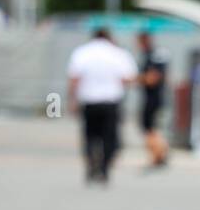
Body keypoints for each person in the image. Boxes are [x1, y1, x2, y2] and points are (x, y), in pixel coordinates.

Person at [67, 28, 137, 184]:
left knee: (90, 136)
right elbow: (129, 78)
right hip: (110, 101)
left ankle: (92, 165)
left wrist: (72, 100)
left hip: (89, 100)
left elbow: (74, 79)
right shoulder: (118, 53)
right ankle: (105, 168)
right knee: (109, 137)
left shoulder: (82, 53)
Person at [136, 31, 169, 169]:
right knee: (152, 128)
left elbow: (153, 78)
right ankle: (159, 154)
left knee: (150, 128)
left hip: (153, 98)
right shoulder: (155, 54)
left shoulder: (152, 55)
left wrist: (136, 79)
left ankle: (158, 155)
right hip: (154, 97)